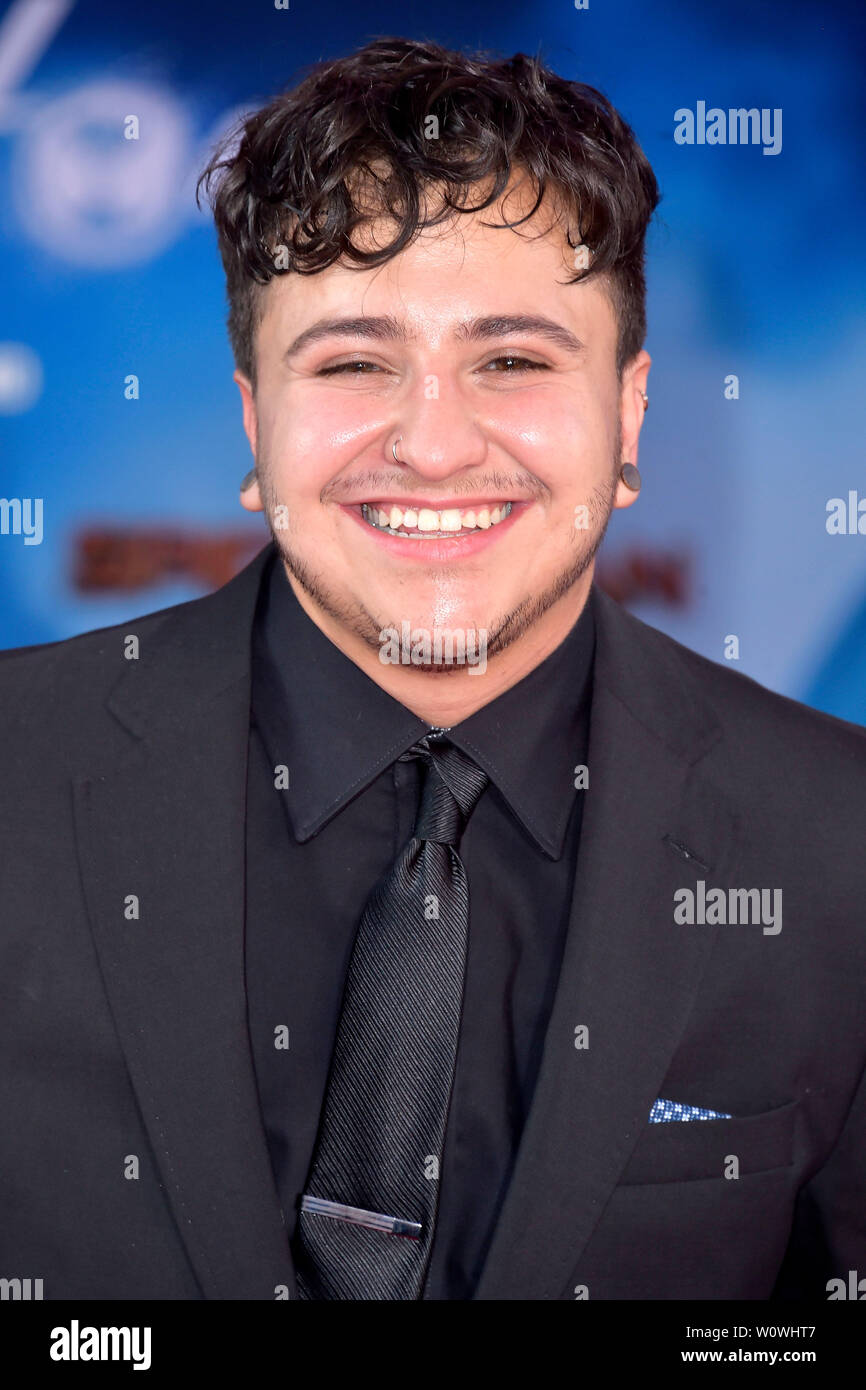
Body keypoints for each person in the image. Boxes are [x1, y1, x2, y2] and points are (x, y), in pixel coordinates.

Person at [1, 36, 864, 1302]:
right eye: (353, 361)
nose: (434, 442)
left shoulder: (837, 837)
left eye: (511, 360)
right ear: (254, 422)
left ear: (627, 419)